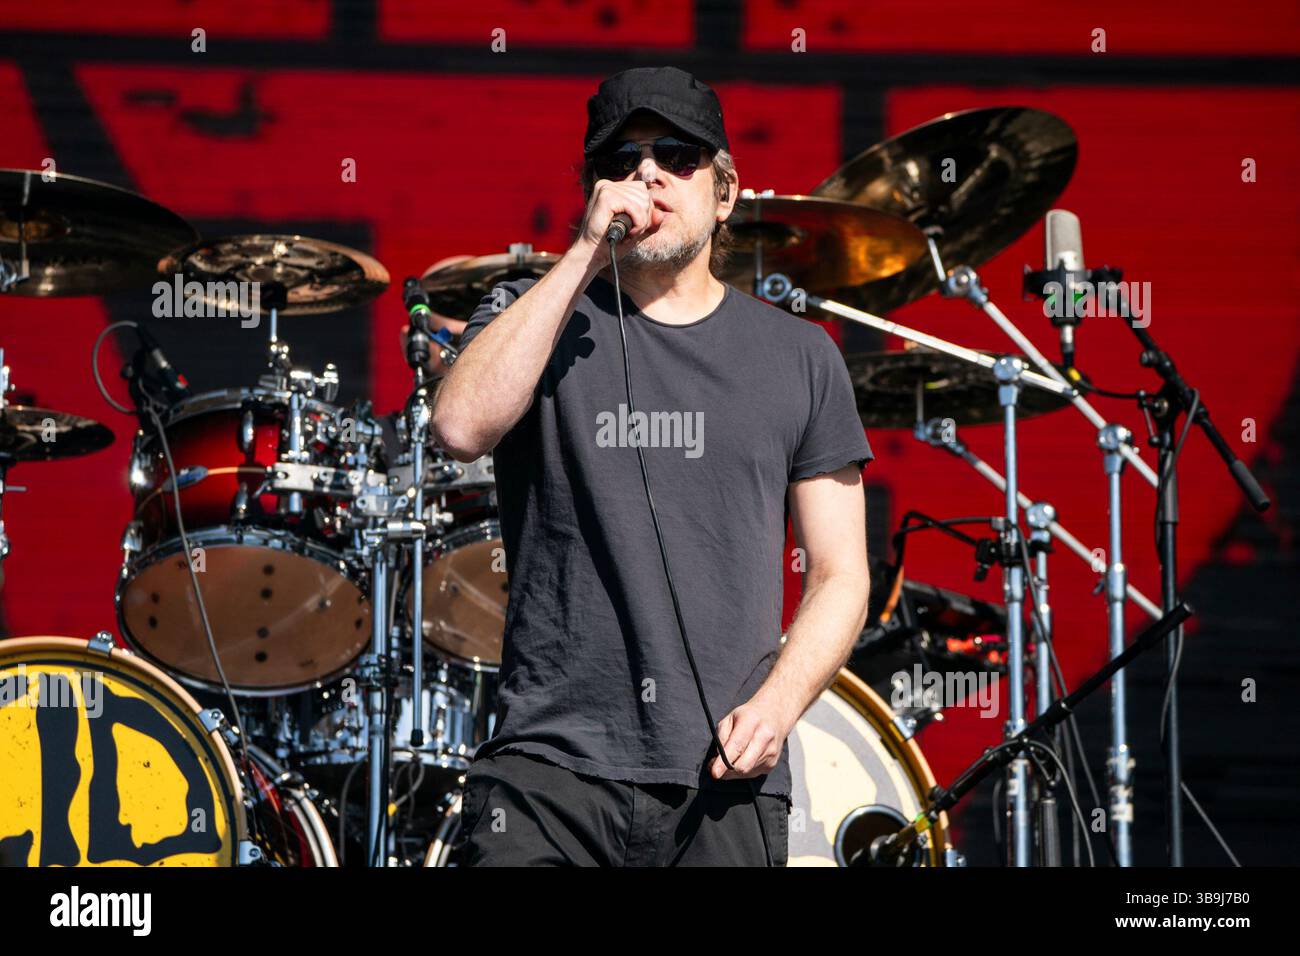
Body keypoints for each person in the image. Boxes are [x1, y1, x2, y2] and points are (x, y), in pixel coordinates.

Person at [432, 66, 872, 866]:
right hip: (547, 769)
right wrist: (579, 259)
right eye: (621, 160)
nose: (648, 175)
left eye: (677, 154)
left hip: (722, 779)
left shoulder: (802, 358)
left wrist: (778, 705)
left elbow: (841, 573)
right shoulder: (532, 314)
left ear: (726, 190)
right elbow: (460, 426)